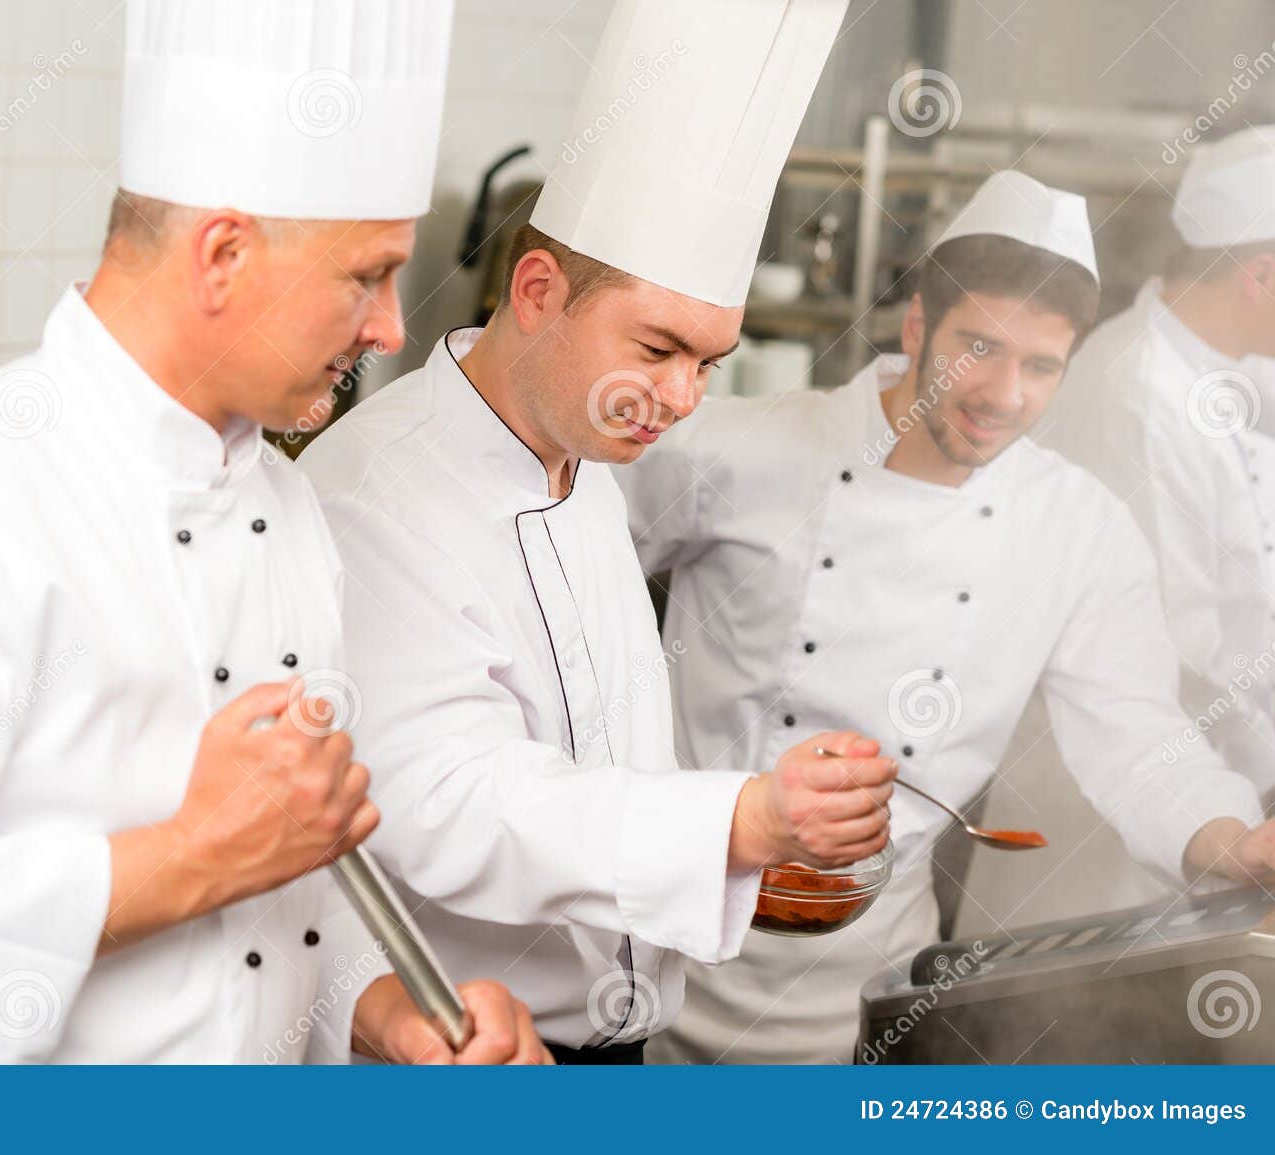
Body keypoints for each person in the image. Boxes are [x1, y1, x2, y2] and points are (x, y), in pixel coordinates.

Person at [0, 0, 547, 1066]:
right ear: (222, 256)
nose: (391, 325)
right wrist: (189, 855)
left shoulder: (287, 510)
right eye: (364, 274)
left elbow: (290, 887)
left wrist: (385, 1008)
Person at [300, 0, 896, 1066]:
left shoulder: (582, 459)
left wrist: (736, 848)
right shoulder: (379, 491)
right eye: (659, 348)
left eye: (707, 363)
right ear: (538, 292)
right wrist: (735, 825)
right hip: (458, 1061)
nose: (681, 397)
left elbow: (594, 753)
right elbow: (445, 800)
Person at [620, 171, 1275, 1065]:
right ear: (919, 325)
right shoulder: (743, 449)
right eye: (979, 348)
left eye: (1041, 365)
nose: (1004, 392)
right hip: (667, 956)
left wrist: (1227, 837)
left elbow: (1135, 731)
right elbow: (564, 577)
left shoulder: (1076, 528)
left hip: (877, 984)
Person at [1040, 126, 1275, 812]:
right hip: (1142, 803)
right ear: (1258, 277)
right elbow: (1177, 652)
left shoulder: (1230, 366)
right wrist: (1267, 779)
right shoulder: (1135, 396)